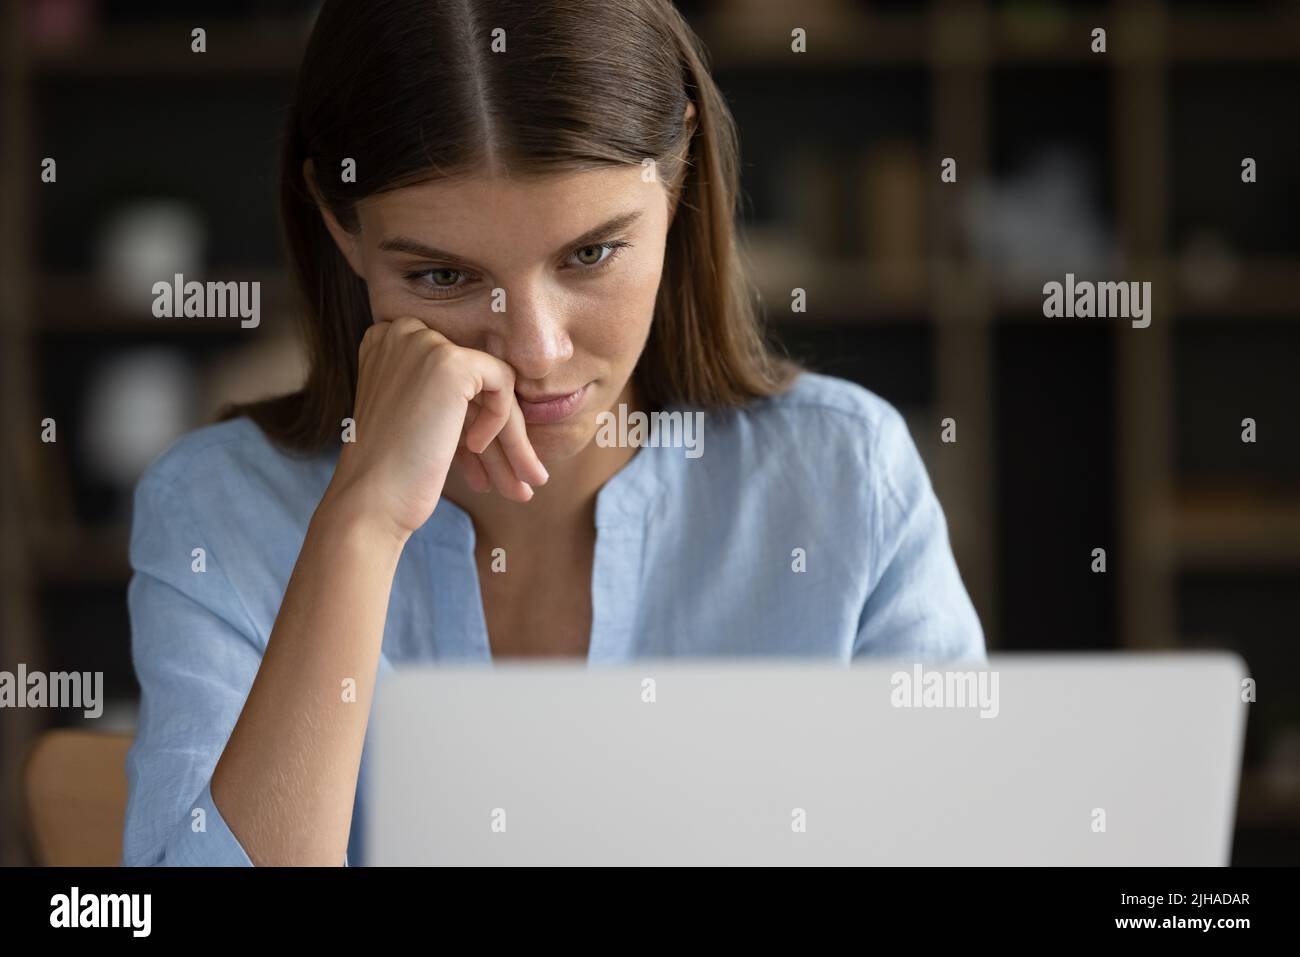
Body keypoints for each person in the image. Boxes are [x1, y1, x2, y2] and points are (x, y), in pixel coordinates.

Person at [122, 0, 984, 867]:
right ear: (341, 225)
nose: (535, 351)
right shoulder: (215, 511)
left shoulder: (845, 477)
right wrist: (360, 526)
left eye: (590, 255)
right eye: (443, 274)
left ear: (677, 176)